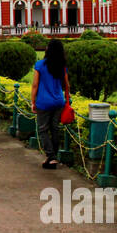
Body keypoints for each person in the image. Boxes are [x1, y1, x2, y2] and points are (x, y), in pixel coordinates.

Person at [30, 38, 70, 169]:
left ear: (48, 49)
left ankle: (51, 156)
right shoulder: (62, 66)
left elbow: (35, 85)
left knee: (43, 130)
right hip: (58, 102)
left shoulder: (40, 65)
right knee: (55, 129)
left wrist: (33, 101)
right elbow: (66, 85)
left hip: (44, 102)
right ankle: (53, 157)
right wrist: (66, 99)